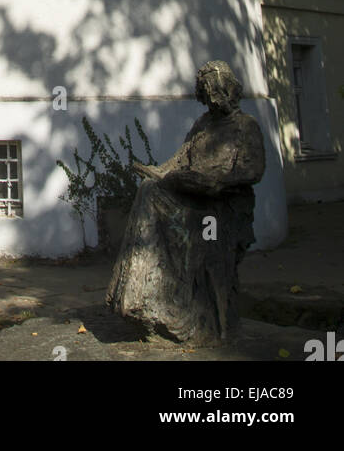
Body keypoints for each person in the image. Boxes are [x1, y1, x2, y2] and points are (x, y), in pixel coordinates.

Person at [106, 60, 265, 344]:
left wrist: (218, 182)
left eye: (216, 94)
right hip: (193, 200)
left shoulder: (245, 126)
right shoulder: (202, 124)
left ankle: (186, 312)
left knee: (203, 234)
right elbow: (178, 161)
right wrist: (157, 171)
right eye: (208, 96)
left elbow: (253, 170)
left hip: (222, 209)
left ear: (229, 90)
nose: (213, 102)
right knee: (149, 188)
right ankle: (141, 297)